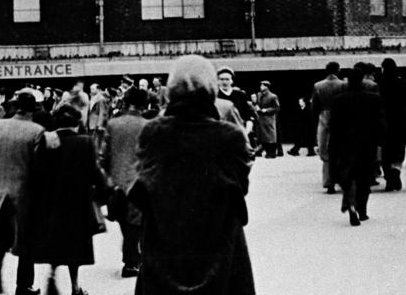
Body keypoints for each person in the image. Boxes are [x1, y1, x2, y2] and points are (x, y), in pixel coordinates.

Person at [131, 55, 255, 295]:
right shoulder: (230, 137)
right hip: (220, 246)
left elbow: (141, 192)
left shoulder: (154, 133)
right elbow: (241, 188)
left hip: (165, 246)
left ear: (171, 90)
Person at [32, 104, 109, 295]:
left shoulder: (47, 140)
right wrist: (104, 193)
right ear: (77, 123)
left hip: (52, 201)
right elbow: (95, 173)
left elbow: (37, 173)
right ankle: (75, 286)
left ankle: (51, 274)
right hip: (78, 202)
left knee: (55, 241)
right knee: (75, 246)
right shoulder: (85, 142)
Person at [0, 90, 45, 295]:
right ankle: (23, 285)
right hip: (25, 193)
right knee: (26, 240)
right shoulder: (36, 131)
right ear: (33, 110)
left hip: (0, 189)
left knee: (3, 232)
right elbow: (39, 168)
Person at [328, 67, 386, 226]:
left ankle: (350, 204)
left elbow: (333, 126)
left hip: (345, 143)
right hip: (367, 142)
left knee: (348, 174)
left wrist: (332, 145)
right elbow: (380, 122)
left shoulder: (338, 100)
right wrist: (380, 140)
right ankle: (363, 210)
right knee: (365, 176)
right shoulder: (373, 98)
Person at [102, 86, 148, 278]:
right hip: (139, 180)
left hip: (116, 181)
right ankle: (131, 262)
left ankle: (132, 257)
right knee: (135, 223)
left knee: (124, 221)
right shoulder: (148, 125)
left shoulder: (113, 124)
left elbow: (104, 154)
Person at [310, 61, 347, 193]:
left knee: (325, 150)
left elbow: (314, 107)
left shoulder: (318, 85)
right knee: (342, 149)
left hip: (324, 116)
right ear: (338, 70)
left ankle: (328, 182)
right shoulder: (343, 84)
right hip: (341, 117)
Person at [378, 58, 406, 191]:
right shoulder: (403, 83)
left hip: (384, 120)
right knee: (398, 147)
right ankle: (396, 170)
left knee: (385, 150)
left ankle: (388, 175)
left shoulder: (379, 83)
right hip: (400, 119)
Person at [254, 81, 280, 158]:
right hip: (261, 118)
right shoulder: (259, 95)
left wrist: (267, 110)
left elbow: (277, 107)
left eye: (262, 86)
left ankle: (272, 153)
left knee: (270, 136)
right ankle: (265, 151)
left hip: (269, 119)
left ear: (266, 87)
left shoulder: (273, 96)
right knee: (262, 136)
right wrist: (257, 106)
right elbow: (257, 103)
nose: (260, 87)